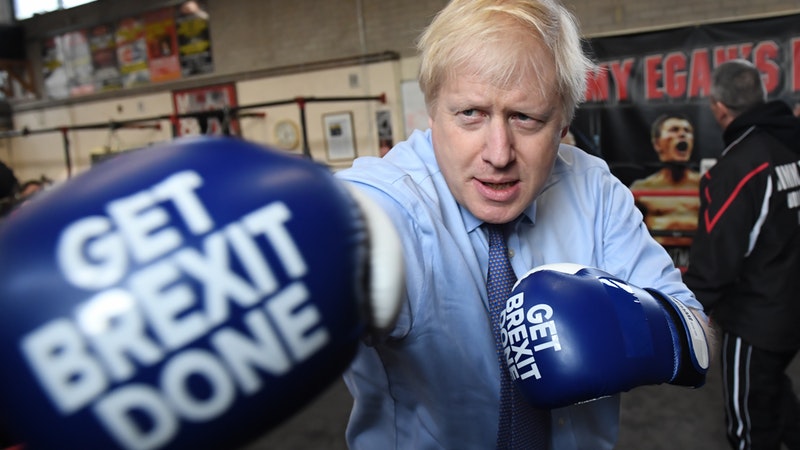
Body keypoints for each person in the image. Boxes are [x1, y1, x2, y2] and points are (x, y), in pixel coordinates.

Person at [335, 1, 713, 448]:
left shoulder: (594, 189)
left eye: (525, 118)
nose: (498, 154)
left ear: (563, 125)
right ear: (432, 110)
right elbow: (339, 240)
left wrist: (635, 329)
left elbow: (700, 339)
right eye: (470, 114)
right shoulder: (381, 203)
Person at [683, 59, 800, 449]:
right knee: (773, 396)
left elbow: (715, 264)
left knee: (748, 430)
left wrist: (683, 318)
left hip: (755, 322)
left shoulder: (738, 167)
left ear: (719, 107)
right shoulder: (790, 145)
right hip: (788, 311)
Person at [630, 113, 700, 248]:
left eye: (687, 131)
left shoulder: (704, 185)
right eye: (674, 130)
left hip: (698, 260)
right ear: (657, 144)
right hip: (658, 261)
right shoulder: (642, 189)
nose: (682, 134)